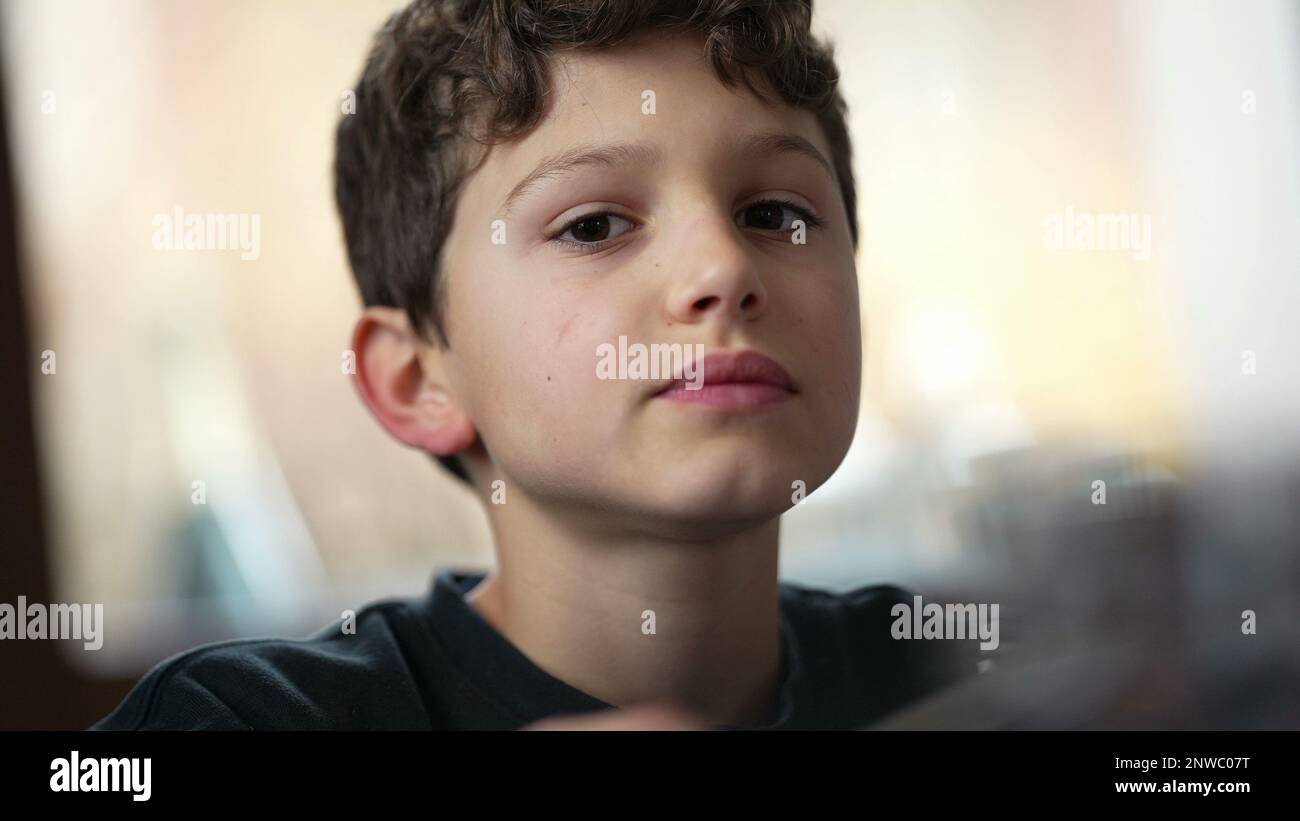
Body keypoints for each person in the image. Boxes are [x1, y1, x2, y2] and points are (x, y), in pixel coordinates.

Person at [92, 0, 976, 731]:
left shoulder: (984, 678)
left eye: (776, 213)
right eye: (592, 225)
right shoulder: (233, 720)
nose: (725, 270)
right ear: (417, 378)